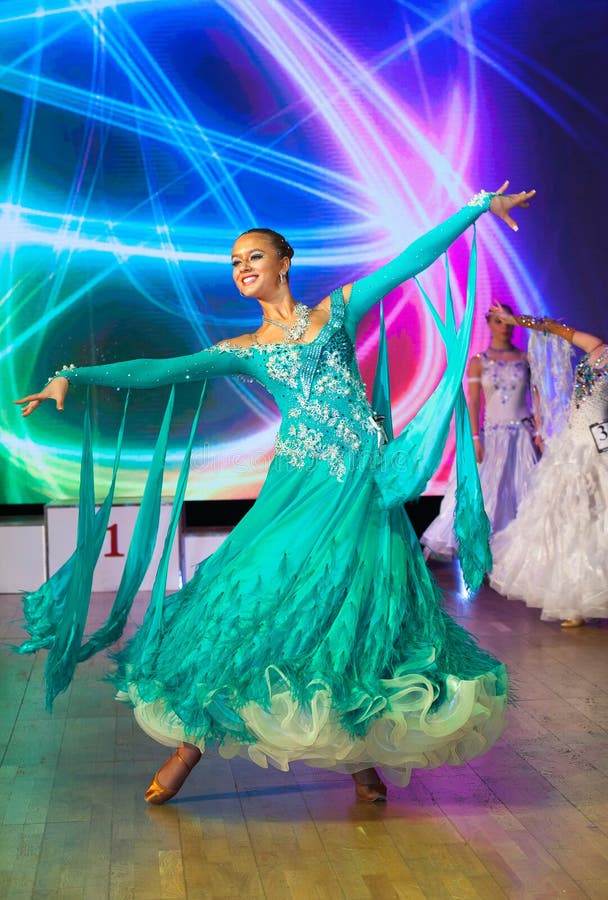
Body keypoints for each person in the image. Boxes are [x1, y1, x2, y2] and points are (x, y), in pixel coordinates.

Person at [15, 184, 535, 804]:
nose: (242, 268)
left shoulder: (336, 311)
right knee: (262, 600)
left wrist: (477, 208)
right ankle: (190, 745)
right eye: (234, 262)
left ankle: (356, 754)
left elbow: (410, 261)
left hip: (361, 489)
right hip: (299, 490)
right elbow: (157, 371)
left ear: (284, 263)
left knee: (354, 611)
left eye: (253, 257)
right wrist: (72, 376)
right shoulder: (245, 350)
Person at [488, 302, 608, 627]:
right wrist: (516, 320)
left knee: (595, 519)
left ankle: (590, 596)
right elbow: (552, 327)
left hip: (597, 446)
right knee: (568, 519)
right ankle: (574, 600)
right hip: (572, 443)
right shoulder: (596, 346)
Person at [421, 304, 540, 559]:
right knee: (489, 493)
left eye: (507, 321)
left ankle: (517, 552)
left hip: (522, 436)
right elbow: (474, 401)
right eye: (498, 321)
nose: (504, 326)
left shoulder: (525, 359)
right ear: (489, 324)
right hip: (492, 436)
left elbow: (536, 396)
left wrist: (539, 428)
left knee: (523, 491)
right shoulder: (479, 362)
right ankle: (487, 549)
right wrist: (475, 437)